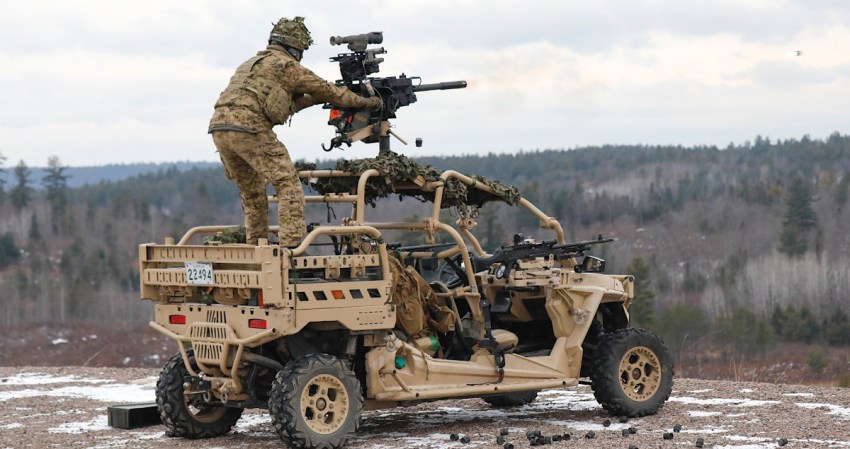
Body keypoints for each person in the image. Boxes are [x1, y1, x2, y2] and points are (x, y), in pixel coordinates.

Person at [209, 16, 382, 246]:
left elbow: (280, 104)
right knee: (288, 184)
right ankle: (289, 248)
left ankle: (257, 244)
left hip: (220, 128)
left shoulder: (250, 65)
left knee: (252, 191)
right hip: (250, 128)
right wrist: (368, 102)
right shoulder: (288, 66)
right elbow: (330, 91)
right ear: (295, 49)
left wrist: (313, 99)